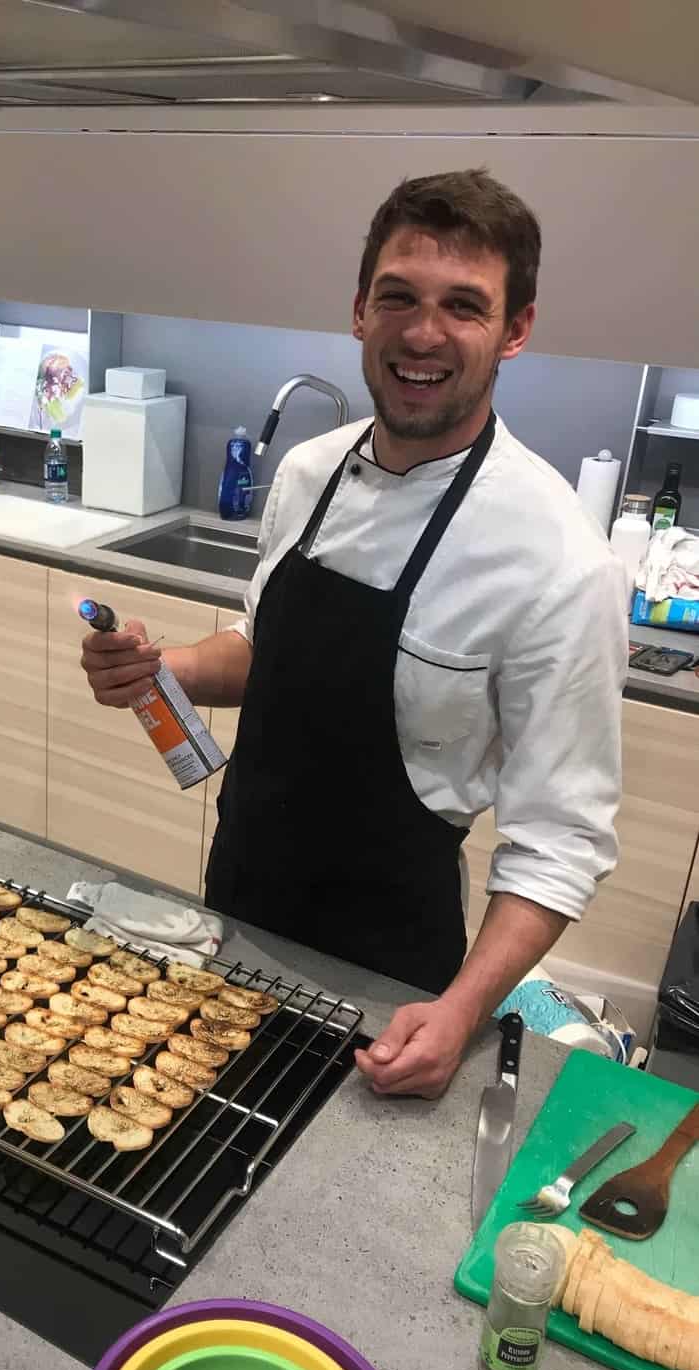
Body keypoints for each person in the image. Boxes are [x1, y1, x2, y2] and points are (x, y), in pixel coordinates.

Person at [80, 169, 627, 1099]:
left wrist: (458, 1011)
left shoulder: (559, 562)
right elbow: (267, 651)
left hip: (394, 967)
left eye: (463, 306)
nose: (422, 333)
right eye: (398, 298)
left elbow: (559, 840)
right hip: (242, 898)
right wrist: (154, 666)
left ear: (516, 330)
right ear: (359, 312)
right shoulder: (306, 472)